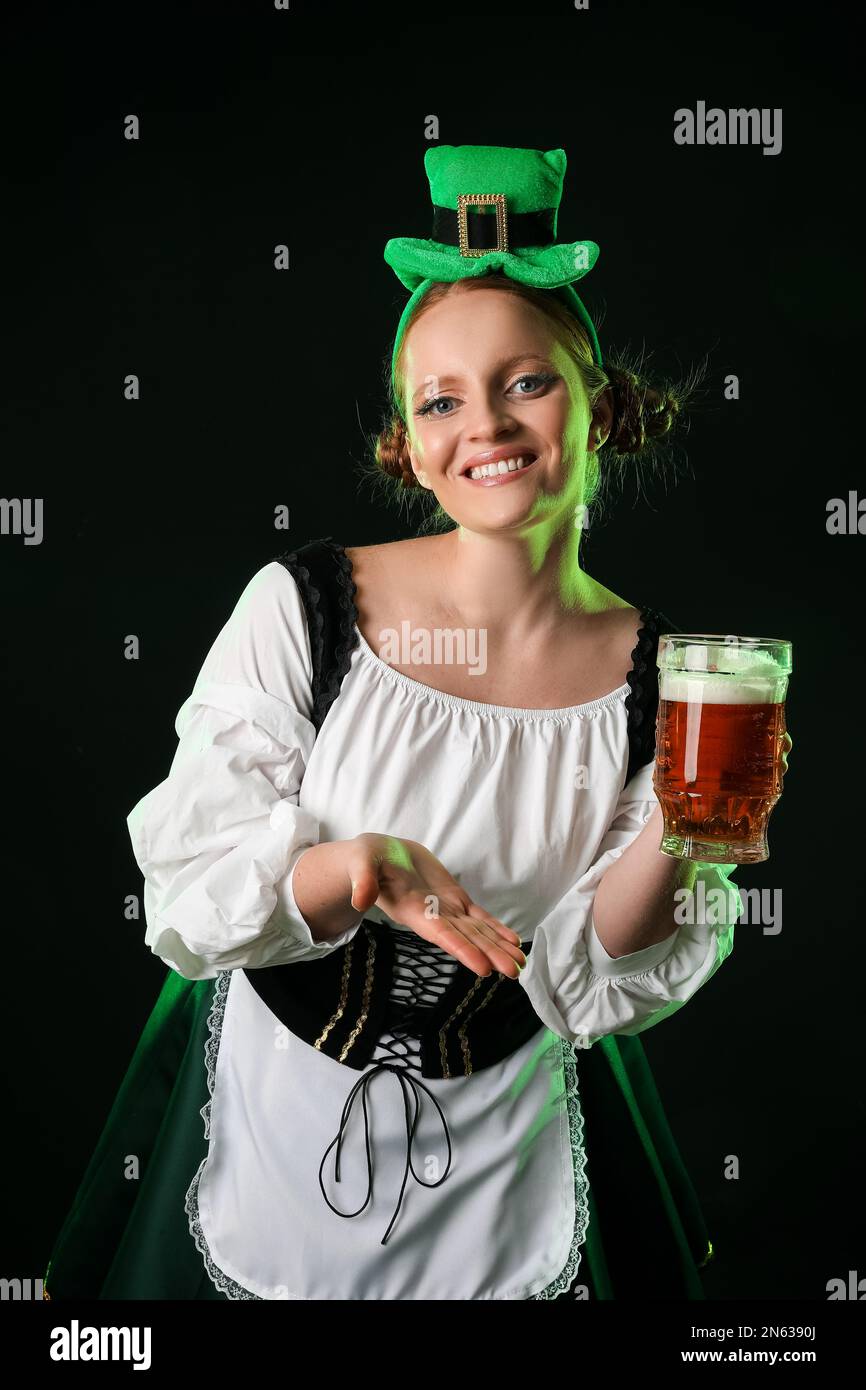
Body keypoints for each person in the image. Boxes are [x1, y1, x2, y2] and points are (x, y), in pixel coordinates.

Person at [44, 143, 791, 1301]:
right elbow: (188, 892)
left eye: (525, 380)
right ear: (407, 444)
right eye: (438, 399)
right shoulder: (304, 608)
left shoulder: (664, 678)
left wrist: (689, 824)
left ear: (600, 398)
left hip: (505, 1135)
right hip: (267, 1112)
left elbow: (599, 982)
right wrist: (356, 870)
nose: (482, 423)